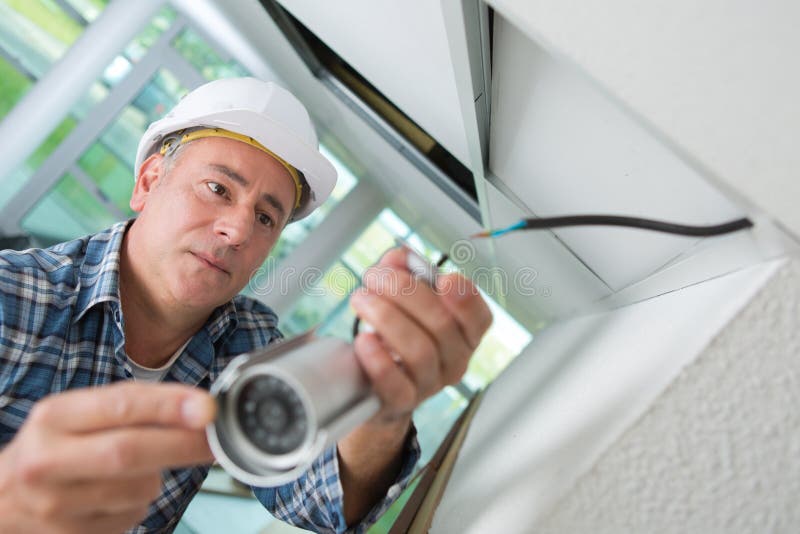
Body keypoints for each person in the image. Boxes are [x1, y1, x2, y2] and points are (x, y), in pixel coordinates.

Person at [0, 77, 492, 533]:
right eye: (218, 189)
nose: (237, 231)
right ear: (148, 182)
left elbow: (325, 501)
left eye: (265, 218)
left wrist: (384, 407)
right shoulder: (14, 296)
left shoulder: (250, 350)